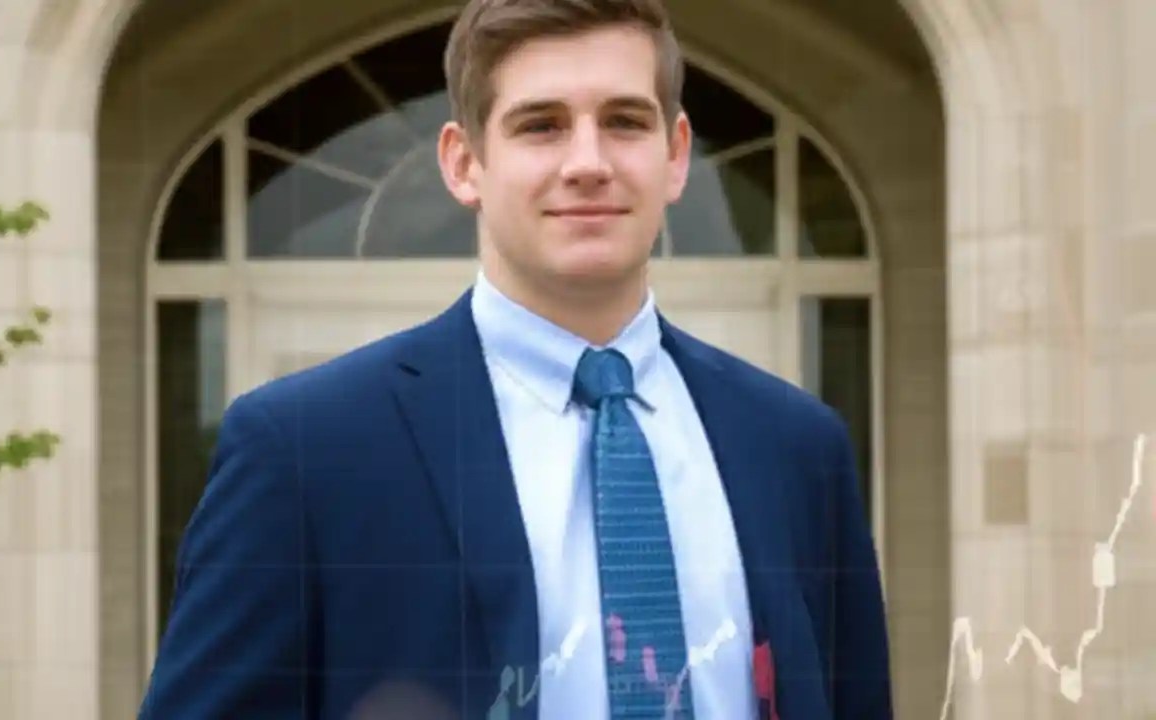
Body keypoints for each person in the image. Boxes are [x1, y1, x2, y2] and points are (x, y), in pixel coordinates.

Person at [137, 0, 893, 717]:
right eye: (542, 126)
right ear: (464, 163)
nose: (588, 162)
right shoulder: (304, 450)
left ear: (675, 155)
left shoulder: (797, 446)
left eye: (625, 121)